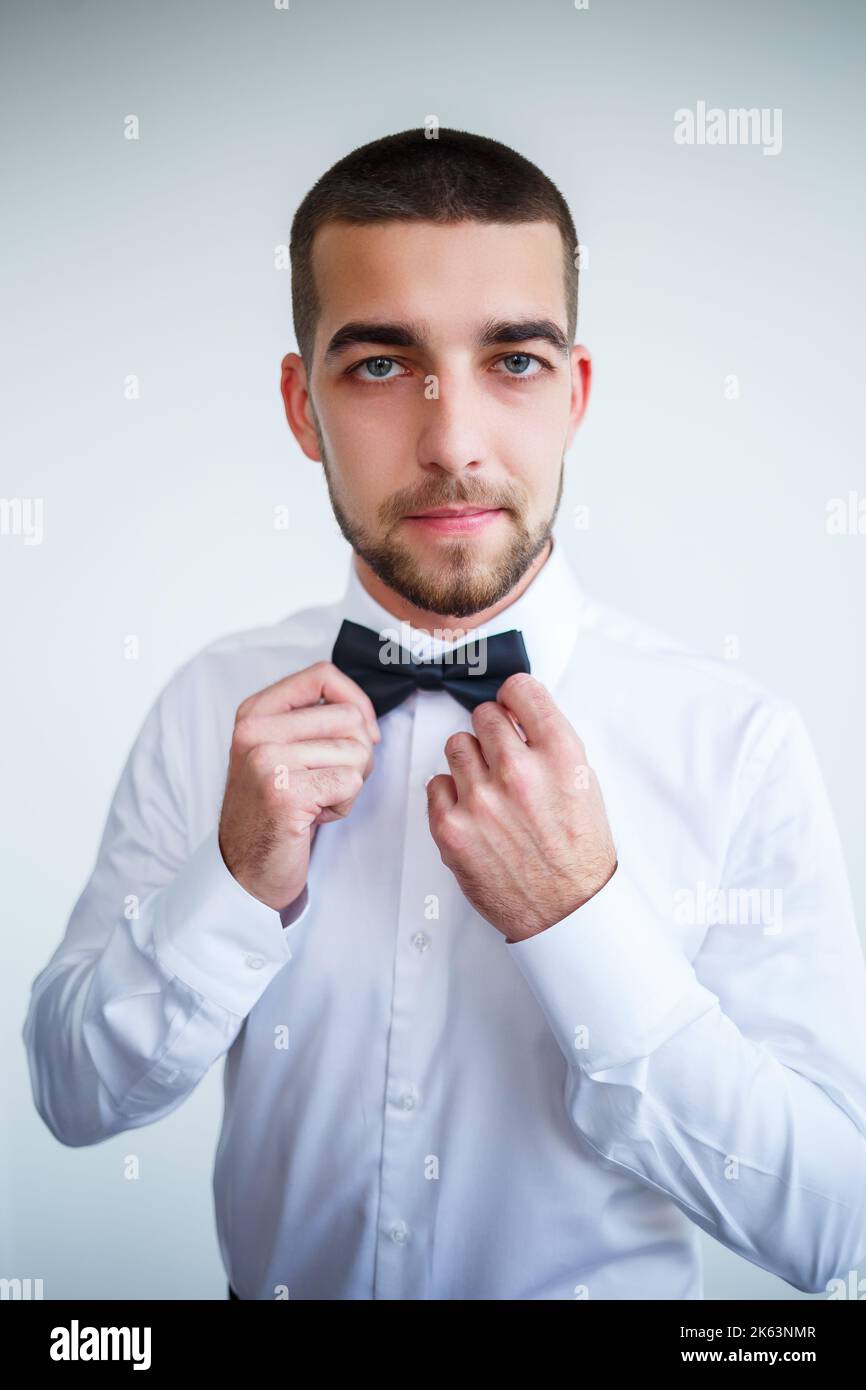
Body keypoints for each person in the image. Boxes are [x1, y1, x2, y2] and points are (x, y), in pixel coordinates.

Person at [23, 127, 866, 1301]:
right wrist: (231, 881)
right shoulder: (208, 707)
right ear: (300, 404)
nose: (452, 442)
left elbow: (832, 1220)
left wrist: (579, 924)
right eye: (378, 366)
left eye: (511, 362)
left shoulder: (737, 742)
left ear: (572, 395)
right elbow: (72, 1097)